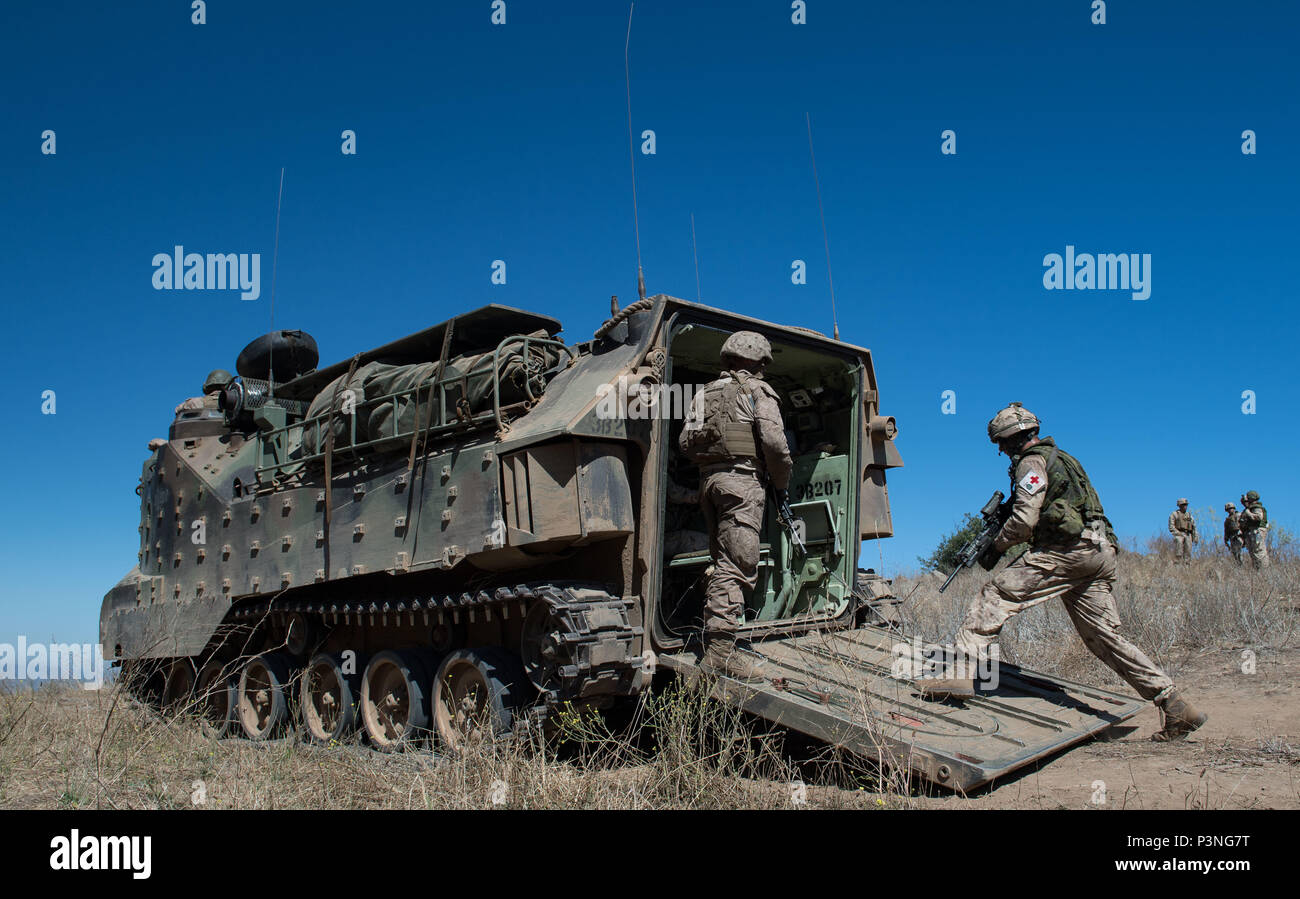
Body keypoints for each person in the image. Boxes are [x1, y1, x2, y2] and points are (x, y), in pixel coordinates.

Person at [919, 403, 1207, 742]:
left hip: (1067, 552)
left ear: (1012, 437)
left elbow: (1025, 519)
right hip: (1099, 553)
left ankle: (959, 674)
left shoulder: (1032, 462)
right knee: (1105, 639)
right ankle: (1174, 705)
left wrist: (997, 546)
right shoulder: (1066, 460)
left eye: (1001, 442)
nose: (1000, 449)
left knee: (993, 595)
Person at [679, 331, 792, 682]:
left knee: (721, 562)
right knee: (737, 565)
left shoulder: (703, 393)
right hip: (742, 485)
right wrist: (781, 484)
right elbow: (775, 444)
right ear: (758, 361)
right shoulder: (759, 392)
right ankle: (720, 654)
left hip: (710, 485)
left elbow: (685, 443)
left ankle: (713, 640)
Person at [1239, 490, 1270, 569]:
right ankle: (1258, 570)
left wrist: (1248, 513)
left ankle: (1264, 571)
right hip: (1252, 532)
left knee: (1259, 551)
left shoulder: (1256, 507)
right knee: (1253, 552)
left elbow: (1259, 517)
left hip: (1257, 531)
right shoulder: (1249, 508)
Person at [1168, 498, 1197, 563]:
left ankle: (1187, 568)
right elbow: (1171, 526)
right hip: (1179, 534)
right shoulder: (1174, 514)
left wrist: (1195, 537)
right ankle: (1177, 566)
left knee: (1188, 552)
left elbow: (1194, 527)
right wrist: (1178, 533)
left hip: (1188, 534)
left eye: (1186, 505)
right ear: (1179, 505)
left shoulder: (1189, 515)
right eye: (1183, 505)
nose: (1185, 506)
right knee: (1178, 552)